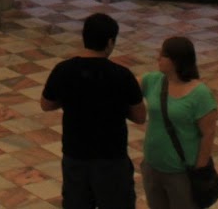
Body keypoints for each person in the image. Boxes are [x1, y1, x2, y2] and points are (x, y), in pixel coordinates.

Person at [41, 12, 148, 209]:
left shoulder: (63, 70)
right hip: (111, 158)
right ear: (110, 42)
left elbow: (46, 105)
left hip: (76, 155)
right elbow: (140, 116)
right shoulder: (122, 75)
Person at [140, 36, 217, 209]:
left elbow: (208, 134)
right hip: (152, 166)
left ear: (176, 60)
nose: (158, 58)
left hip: (181, 172)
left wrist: (200, 168)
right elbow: (126, 93)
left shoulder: (200, 94)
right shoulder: (152, 81)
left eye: (163, 55)